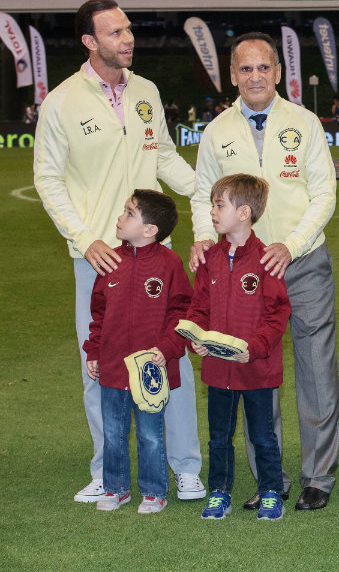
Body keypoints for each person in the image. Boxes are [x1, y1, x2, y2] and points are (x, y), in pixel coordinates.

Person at [33, 0, 205, 504]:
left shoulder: (146, 90)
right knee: (100, 365)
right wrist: (86, 240)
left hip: (158, 256)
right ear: (90, 41)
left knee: (171, 359)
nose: (127, 39)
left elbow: (165, 157)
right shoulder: (62, 101)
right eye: (115, 32)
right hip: (100, 258)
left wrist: (209, 195)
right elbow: (47, 178)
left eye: (128, 29)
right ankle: (108, 473)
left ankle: (185, 467)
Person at [189, 33, 339, 512]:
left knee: (316, 373)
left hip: (303, 263)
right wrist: (203, 236)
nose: (255, 76)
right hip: (243, 275)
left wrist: (290, 245)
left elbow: (324, 194)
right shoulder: (217, 131)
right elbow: (201, 195)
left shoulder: (306, 122)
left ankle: (318, 477)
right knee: (252, 371)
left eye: (264, 67)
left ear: (278, 72)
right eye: (245, 69)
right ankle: (269, 479)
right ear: (232, 76)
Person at [188, 174, 292, 521]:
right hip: (218, 370)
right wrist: (197, 339)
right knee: (218, 437)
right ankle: (219, 492)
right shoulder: (209, 259)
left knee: (263, 436)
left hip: (257, 369)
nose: (213, 211)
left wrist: (257, 347)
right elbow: (198, 308)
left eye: (220, 204)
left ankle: (272, 491)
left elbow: (278, 313)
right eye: (214, 204)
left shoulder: (266, 259)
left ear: (244, 212)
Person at [83, 190, 192, 514]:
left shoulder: (169, 264)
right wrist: (93, 352)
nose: (120, 217)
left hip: (150, 371)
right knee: (113, 433)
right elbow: (98, 313)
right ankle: (116, 489)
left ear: (150, 230)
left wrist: (168, 348)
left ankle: (154, 491)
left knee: (150, 434)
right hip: (113, 366)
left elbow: (181, 312)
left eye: (129, 213)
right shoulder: (110, 262)